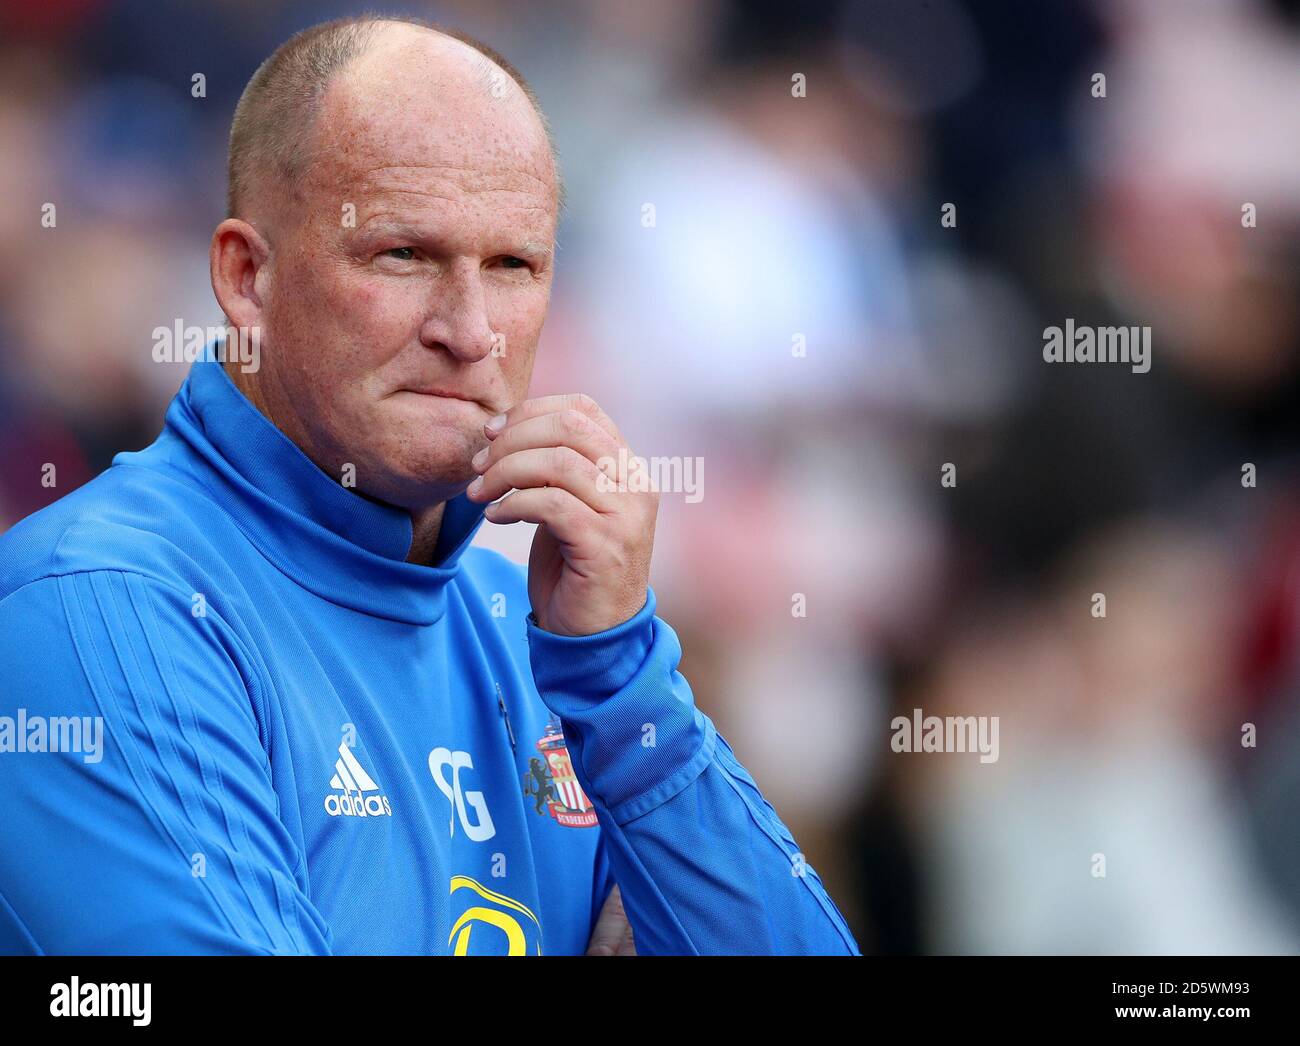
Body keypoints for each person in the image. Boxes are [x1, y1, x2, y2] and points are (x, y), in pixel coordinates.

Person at [0, 15, 859, 956]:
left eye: (513, 266)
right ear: (248, 279)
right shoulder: (97, 608)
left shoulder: (553, 648)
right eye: (403, 254)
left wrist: (622, 683)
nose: (471, 329)